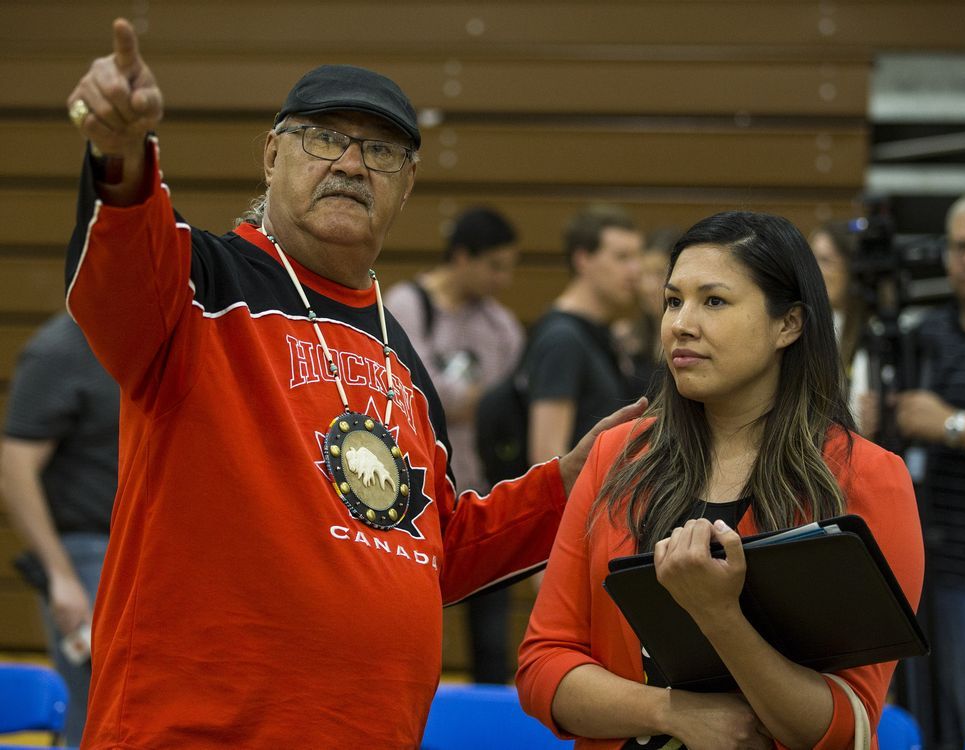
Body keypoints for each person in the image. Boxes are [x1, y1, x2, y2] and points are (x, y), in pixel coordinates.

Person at [63, 19, 643, 748]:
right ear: (272, 155)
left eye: (380, 151)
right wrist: (121, 156)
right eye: (322, 138)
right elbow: (117, 278)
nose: (351, 163)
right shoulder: (199, 285)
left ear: (406, 186)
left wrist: (571, 480)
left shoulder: (399, 351)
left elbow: (435, 548)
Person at [517, 211, 924, 750]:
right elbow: (543, 668)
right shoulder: (617, 456)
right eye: (672, 300)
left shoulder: (868, 477)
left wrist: (718, 615)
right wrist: (673, 713)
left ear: (789, 324)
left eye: (714, 301)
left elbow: (846, 727)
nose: (681, 323)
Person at [385, 206, 524, 684]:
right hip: (418, 500)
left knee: (492, 641)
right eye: (494, 266)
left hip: (481, 492)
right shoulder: (406, 306)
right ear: (462, 257)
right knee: (413, 630)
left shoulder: (501, 325)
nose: (502, 279)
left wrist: (473, 404)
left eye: (509, 267)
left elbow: (503, 410)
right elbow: (419, 398)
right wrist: (478, 402)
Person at [887, 191, 965, 747]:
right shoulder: (924, 332)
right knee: (922, 729)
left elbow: (939, 423)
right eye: (961, 247)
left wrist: (951, 424)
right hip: (922, 568)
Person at [0, 312, 119, 746]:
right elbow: (15, 468)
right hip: (87, 552)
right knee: (93, 714)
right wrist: (61, 576)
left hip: (142, 549)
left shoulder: (137, 342)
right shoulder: (58, 350)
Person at [526, 204, 643, 468]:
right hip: (578, 506)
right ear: (583, 259)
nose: (635, 271)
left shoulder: (600, 333)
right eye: (622, 258)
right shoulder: (562, 339)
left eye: (637, 257)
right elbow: (547, 458)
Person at [808, 221, 873, 432]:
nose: (814, 271)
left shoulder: (874, 331)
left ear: (851, 268)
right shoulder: (802, 325)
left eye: (825, 260)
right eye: (811, 260)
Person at [613, 226, 677, 401]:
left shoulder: (689, 336)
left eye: (659, 274)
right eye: (643, 274)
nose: (648, 286)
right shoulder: (627, 338)